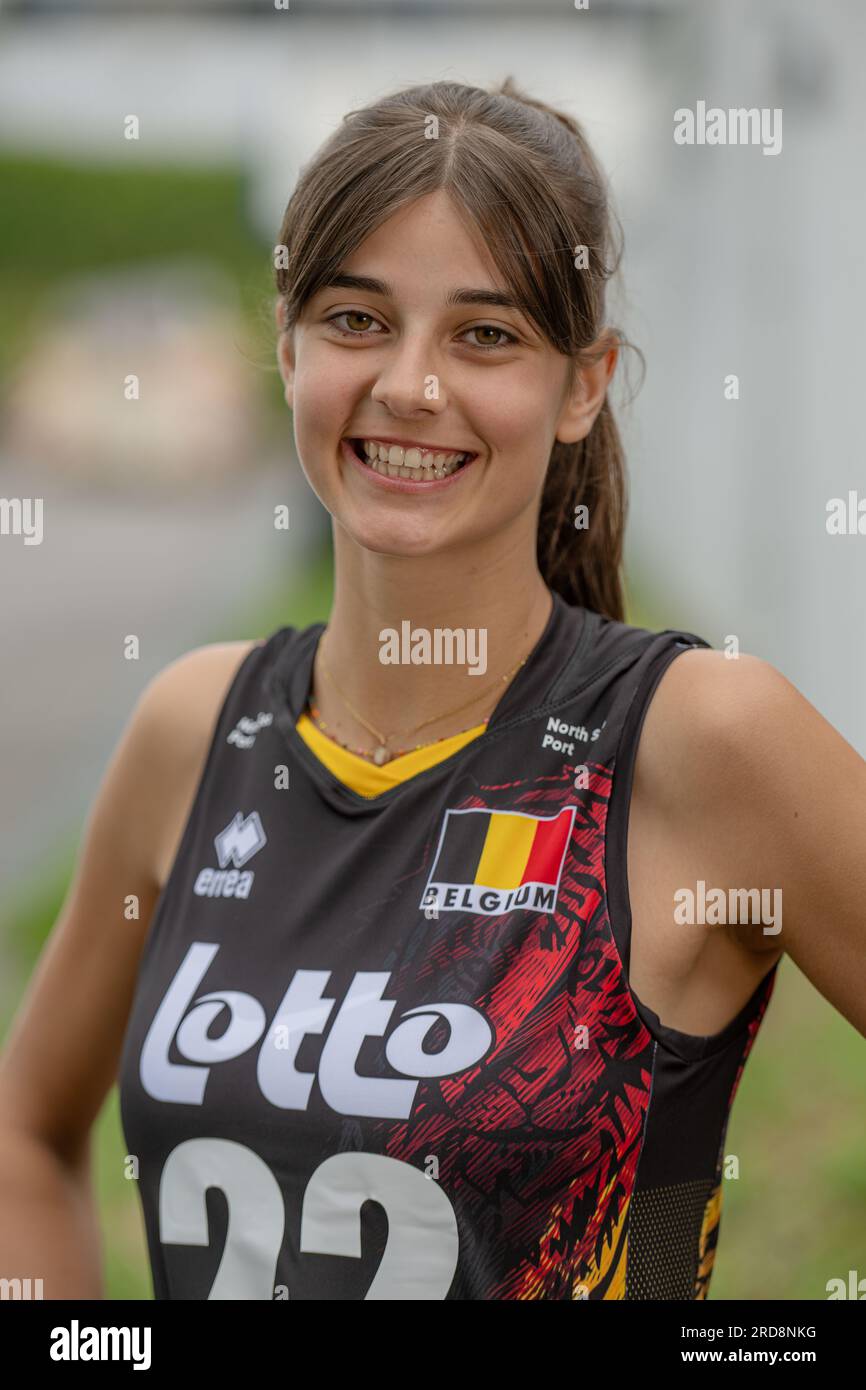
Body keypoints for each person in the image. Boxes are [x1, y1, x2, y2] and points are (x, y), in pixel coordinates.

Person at [1, 78, 864, 1302]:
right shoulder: (197, 727)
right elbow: (26, 1137)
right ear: (286, 343)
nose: (410, 386)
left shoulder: (699, 735)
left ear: (581, 383)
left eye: (485, 333)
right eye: (356, 319)